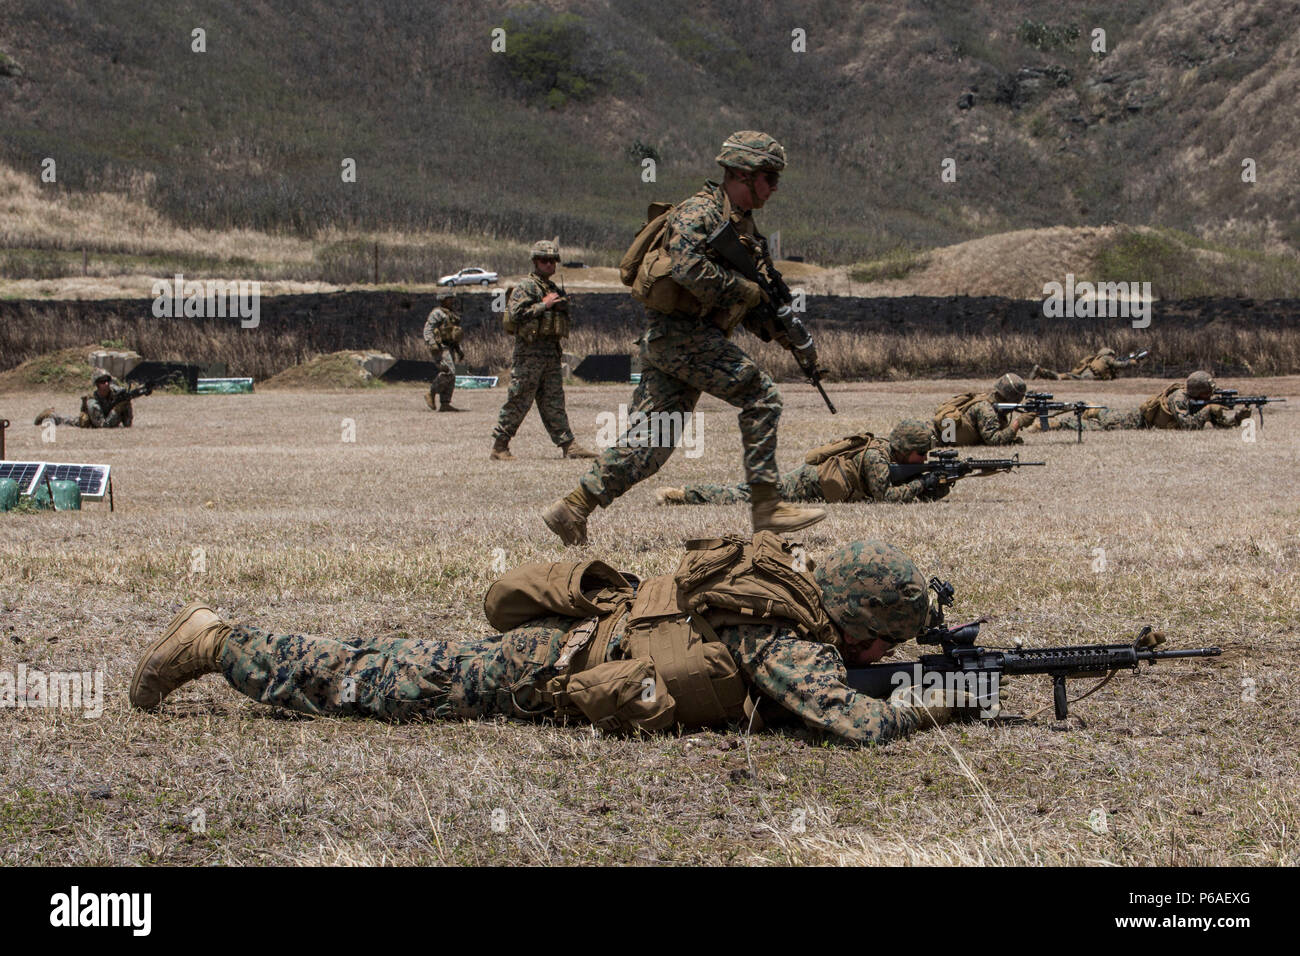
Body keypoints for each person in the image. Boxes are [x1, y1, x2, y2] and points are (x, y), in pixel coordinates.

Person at [129, 536, 972, 744]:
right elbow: (855, 724)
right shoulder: (789, 639)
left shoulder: (787, 583)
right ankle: (219, 642)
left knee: (389, 661)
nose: (878, 658)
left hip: (572, 639)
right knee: (372, 683)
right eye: (884, 644)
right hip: (549, 663)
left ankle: (229, 639)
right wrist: (954, 701)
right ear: (860, 622)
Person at [542, 131, 825, 546]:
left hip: (682, 342)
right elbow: (687, 270)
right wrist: (742, 290)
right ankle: (767, 507)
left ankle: (572, 507)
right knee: (762, 396)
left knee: (650, 445)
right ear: (742, 175)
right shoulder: (699, 213)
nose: (776, 186)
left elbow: (754, 301)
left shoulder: (743, 226)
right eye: (770, 176)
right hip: (681, 336)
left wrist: (785, 335)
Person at [657, 419, 949, 506]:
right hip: (804, 485)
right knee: (747, 494)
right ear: (905, 448)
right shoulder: (876, 457)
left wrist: (936, 484)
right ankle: (684, 494)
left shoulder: (888, 454)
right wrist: (923, 482)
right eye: (921, 454)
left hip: (815, 485)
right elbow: (886, 498)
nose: (923, 459)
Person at [490, 240, 596, 459]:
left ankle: (568, 445)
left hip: (550, 353)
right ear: (535, 262)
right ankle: (500, 445)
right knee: (519, 399)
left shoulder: (553, 289)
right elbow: (516, 313)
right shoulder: (526, 286)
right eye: (545, 260)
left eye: (553, 261)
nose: (549, 265)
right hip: (529, 354)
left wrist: (561, 306)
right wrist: (544, 305)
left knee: (554, 401)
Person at [1083, 370, 1252, 430]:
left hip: (1148, 423)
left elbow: (1221, 425)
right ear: (1200, 392)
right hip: (1137, 421)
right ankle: (1093, 410)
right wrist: (1208, 410)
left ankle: (1096, 411)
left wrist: (1238, 418)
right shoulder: (1179, 398)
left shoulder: (1200, 401)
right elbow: (1187, 425)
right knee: (1105, 422)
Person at [932, 373, 1027, 446]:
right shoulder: (987, 409)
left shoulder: (989, 400)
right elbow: (994, 441)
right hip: (932, 438)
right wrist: (1017, 423)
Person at [33, 371, 146, 428]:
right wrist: (116, 410)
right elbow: (102, 426)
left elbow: (127, 423)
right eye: (102, 382)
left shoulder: (116, 392)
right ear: (97, 385)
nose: (106, 384)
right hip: (92, 421)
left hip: (107, 415)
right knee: (74, 421)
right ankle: (51, 414)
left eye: (107, 381)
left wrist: (127, 401)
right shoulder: (92, 402)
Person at [422, 292, 464, 412]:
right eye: (449, 299)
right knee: (449, 372)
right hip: (440, 347)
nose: (451, 301)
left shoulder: (450, 314)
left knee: (452, 376)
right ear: (443, 300)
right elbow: (428, 330)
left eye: (451, 299)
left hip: (449, 347)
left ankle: (445, 403)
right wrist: (432, 344)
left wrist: (459, 350)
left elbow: (453, 334)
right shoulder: (437, 313)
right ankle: (431, 392)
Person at [1031, 347, 1145, 381]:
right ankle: (1044, 373)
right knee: (1066, 377)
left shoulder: (1096, 358)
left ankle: (1042, 372)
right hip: (1090, 376)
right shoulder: (1106, 358)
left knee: (1066, 376)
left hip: (1086, 373)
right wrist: (1131, 362)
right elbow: (1118, 365)